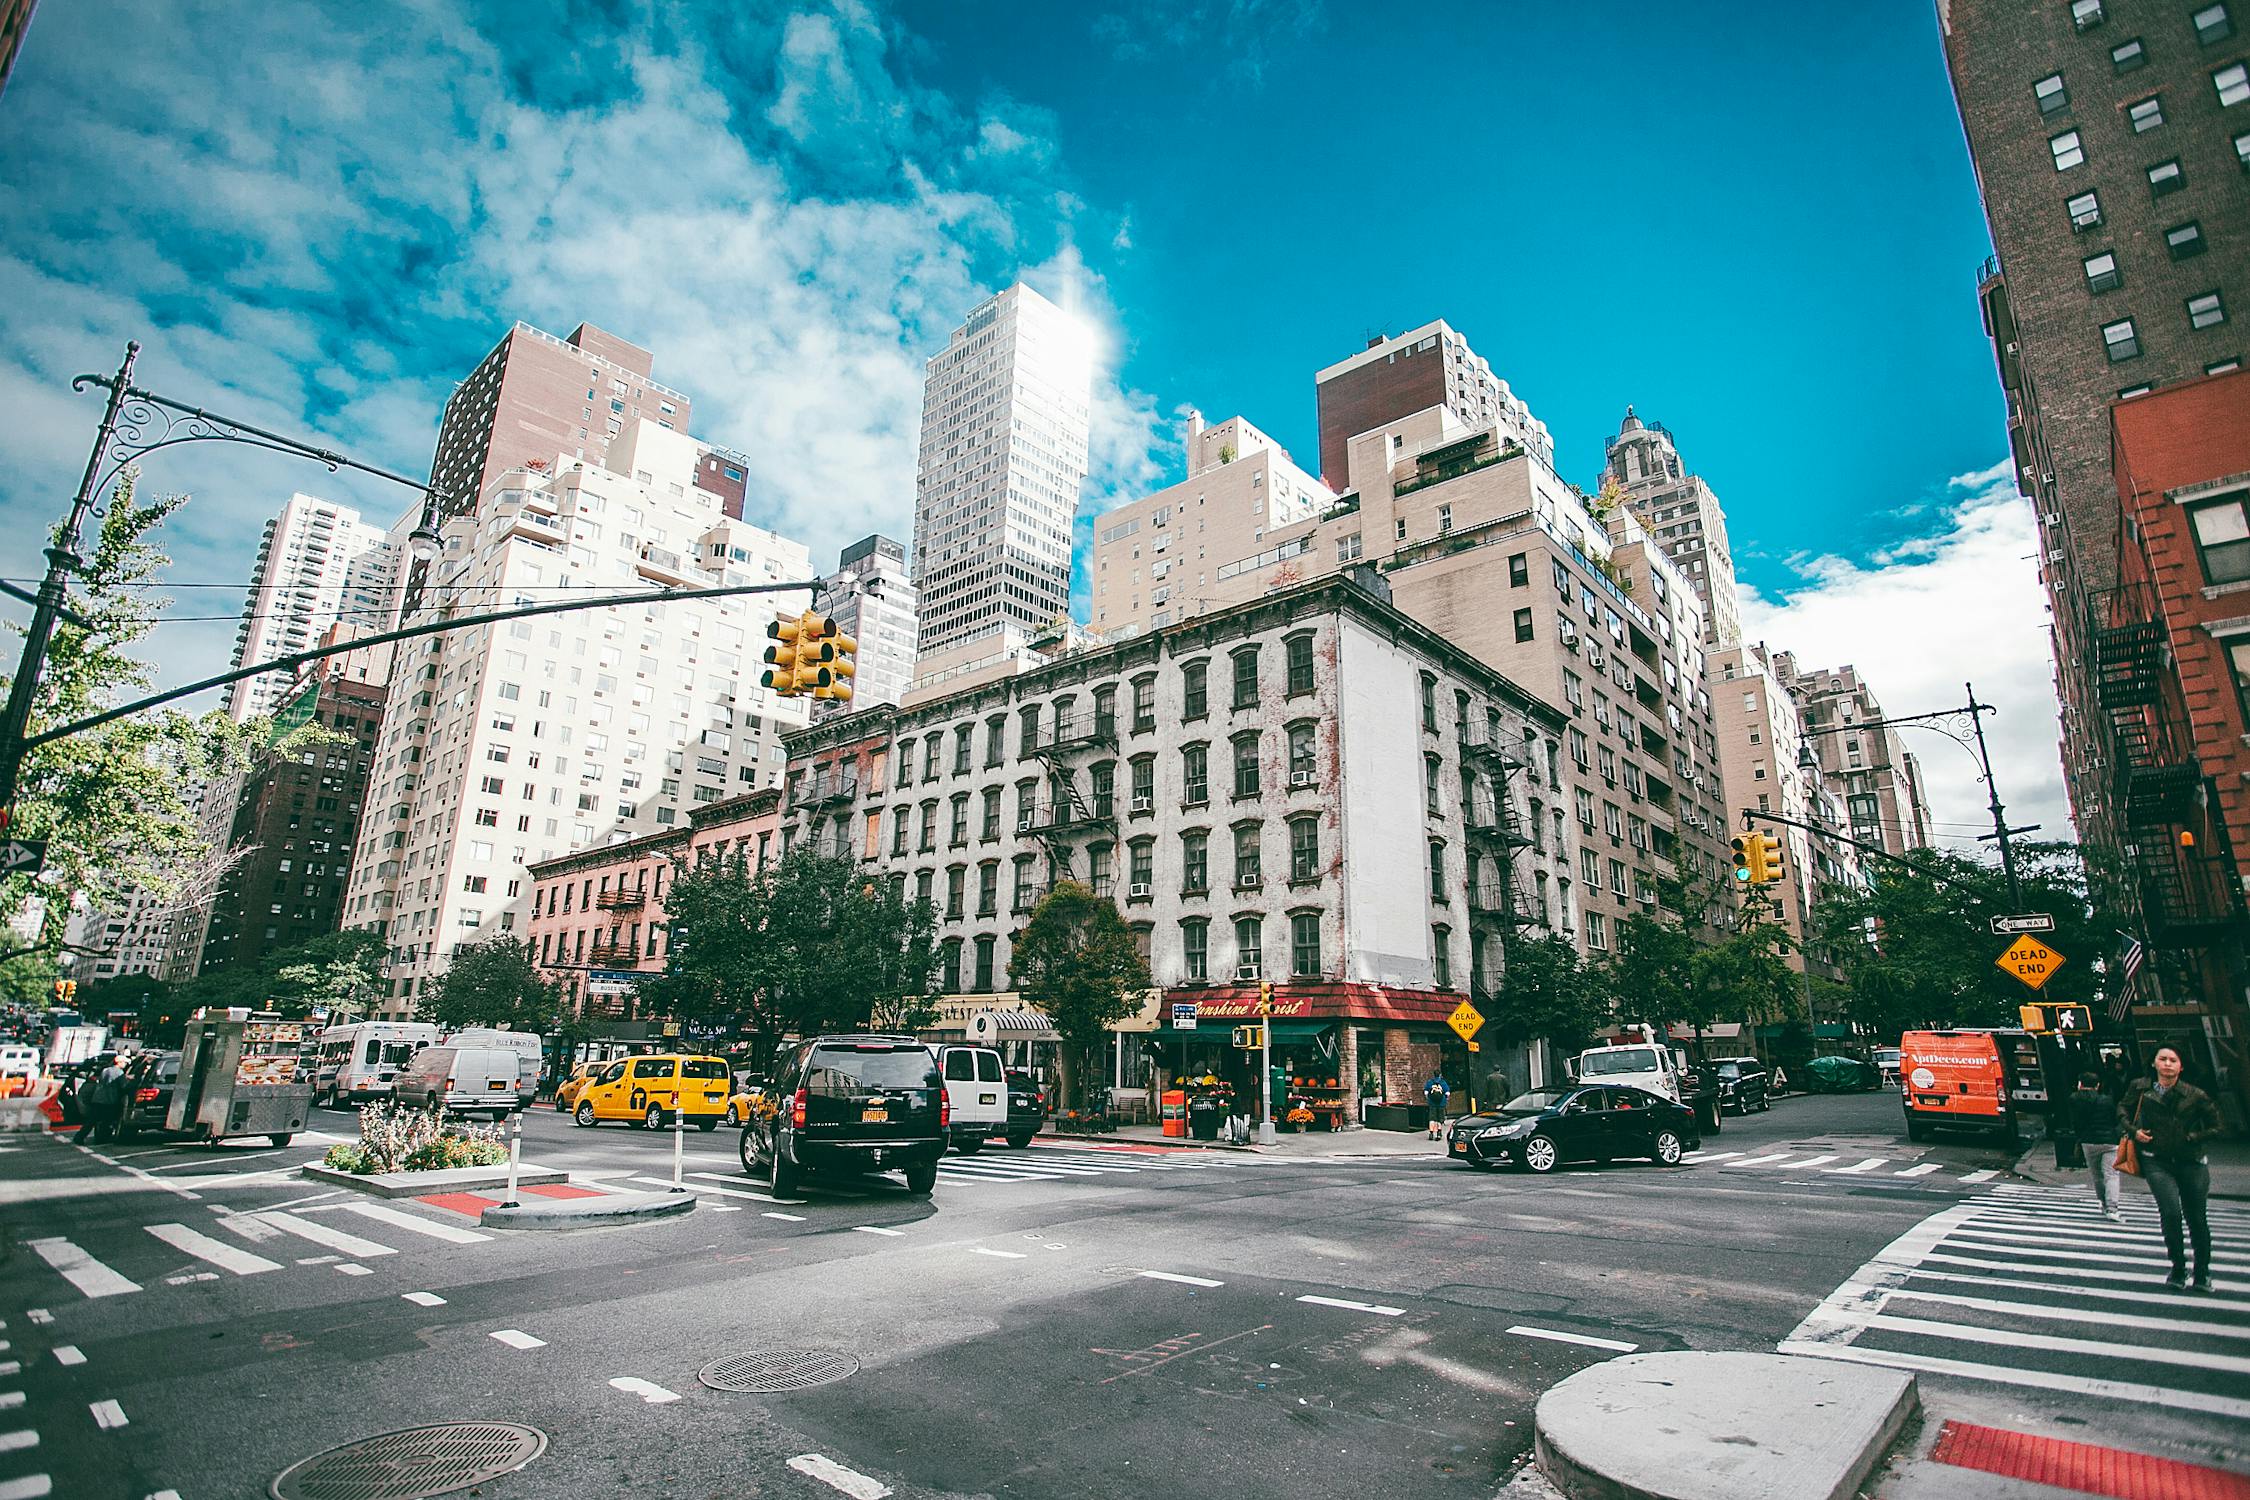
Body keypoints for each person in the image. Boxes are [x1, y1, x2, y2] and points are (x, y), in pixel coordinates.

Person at [2118, 1045, 2222, 1291]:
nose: (2167, 1064)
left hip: (2191, 1161)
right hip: (2157, 1160)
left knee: (2196, 1218)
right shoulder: (2139, 1087)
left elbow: (2217, 1125)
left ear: (2181, 1066)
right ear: (2154, 1064)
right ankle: (2177, 1268)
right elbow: (2122, 1109)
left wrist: (2194, 1137)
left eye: (2173, 1060)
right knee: (2171, 1213)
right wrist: (2134, 1132)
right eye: (2162, 1059)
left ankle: (2202, 1272)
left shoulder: (2195, 1094)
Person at [2070, 1071, 2123, 1221]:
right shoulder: (2106, 1100)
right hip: (2110, 1141)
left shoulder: (2074, 1099)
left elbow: (2075, 1121)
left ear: (2080, 1084)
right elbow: (2114, 1118)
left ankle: (2104, 1203)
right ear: (2097, 1085)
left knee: (2097, 1175)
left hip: (2088, 1140)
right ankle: (2112, 1208)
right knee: (2111, 1175)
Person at [81, 1055, 128, 1144]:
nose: (125, 1064)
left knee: (92, 1120)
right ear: (119, 1062)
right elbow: (123, 1086)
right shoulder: (119, 1073)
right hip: (109, 1100)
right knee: (107, 1121)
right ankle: (102, 1138)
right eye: (124, 1062)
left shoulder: (106, 1070)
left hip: (98, 1098)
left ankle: (80, 1137)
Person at [1424, 1070, 1451, 1140]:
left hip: (1432, 1103)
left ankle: (1431, 1133)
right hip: (1441, 1103)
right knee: (1440, 1118)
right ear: (1440, 1075)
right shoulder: (1443, 1082)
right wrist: (1445, 1099)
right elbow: (1447, 1093)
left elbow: (1426, 1092)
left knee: (1432, 1118)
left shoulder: (1430, 1082)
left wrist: (1429, 1099)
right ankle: (1439, 1133)